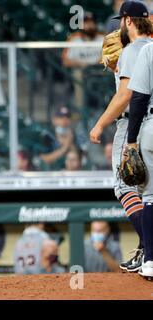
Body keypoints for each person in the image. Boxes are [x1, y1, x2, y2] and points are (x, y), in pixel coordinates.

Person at [89, 1, 152, 273]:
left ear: (127, 21)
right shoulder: (149, 48)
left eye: (121, 21)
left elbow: (126, 94)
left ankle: (149, 251)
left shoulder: (129, 51)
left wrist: (99, 125)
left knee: (126, 187)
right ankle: (145, 250)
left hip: (133, 123)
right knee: (148, 193)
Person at [124, 11, 153, 280]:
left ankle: (150, 260)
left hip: (151, 126)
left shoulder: (147, 51)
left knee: (150, 196)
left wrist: (131, 140)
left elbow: (138, 98)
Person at [62, 12, 105, 108]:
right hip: (81, 70)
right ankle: (80, 109)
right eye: (86, 22)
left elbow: (110, 57)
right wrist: (78, 63)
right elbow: (65, 61)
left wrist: (94, 64)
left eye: (91, 22)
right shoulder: (74, 38)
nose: (89, 25)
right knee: (77, 75)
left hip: (99, 70)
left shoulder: (103, 38)